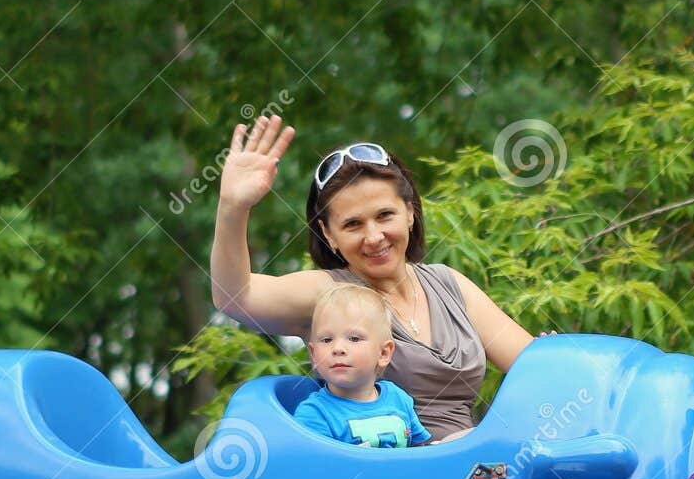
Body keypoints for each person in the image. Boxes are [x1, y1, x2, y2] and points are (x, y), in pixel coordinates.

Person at [210, 114, 545, 442]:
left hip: (476, 465)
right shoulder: (331, 294)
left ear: (410, 213)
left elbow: (535, 366)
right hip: (390, 475)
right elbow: (235, 296)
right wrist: (232, 207)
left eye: (385, 215)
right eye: (353, 224)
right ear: (329, 235)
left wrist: (557, 359)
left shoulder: (448, 284)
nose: (374, 237)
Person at [292, 284, 431, 448]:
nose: (337, 349)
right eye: (327, 340)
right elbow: (319, 469)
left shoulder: (398, 397)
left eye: (354, 339)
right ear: (314, 355)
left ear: (384, 353)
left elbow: (420, 451)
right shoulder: (314, 413)